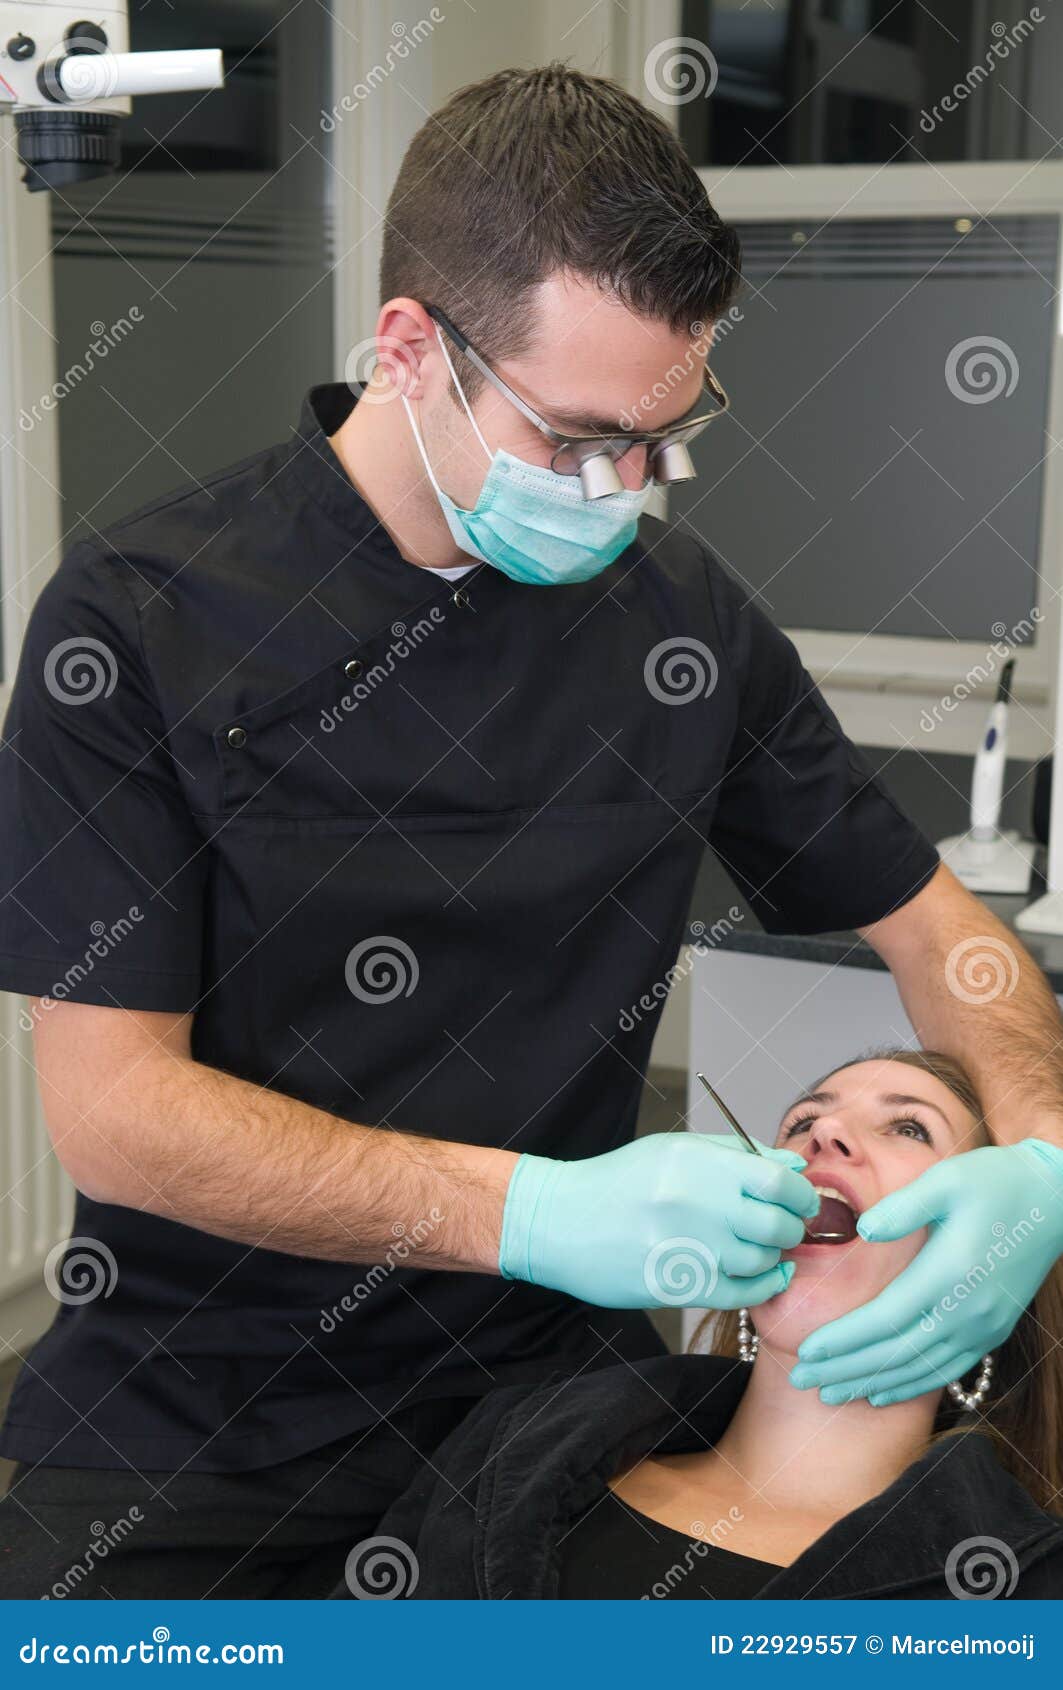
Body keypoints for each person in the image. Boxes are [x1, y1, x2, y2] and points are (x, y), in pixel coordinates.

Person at [1, 61, 1063, 1601]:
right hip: (201, 1421)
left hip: (548, 1406)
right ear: (407, 348)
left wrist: (1035, 1151)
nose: (625, 490)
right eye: (574, 439)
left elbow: (935, 933)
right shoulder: (141, 621)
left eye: (662, 436)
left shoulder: (679, 623)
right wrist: (532, 1209)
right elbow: (112, 1111)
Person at [368, 1050, 1063, 1600]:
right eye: (799, 1124)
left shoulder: (1020, 1591)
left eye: (907, 1127)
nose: (825, 1134)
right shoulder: (509, 1444)